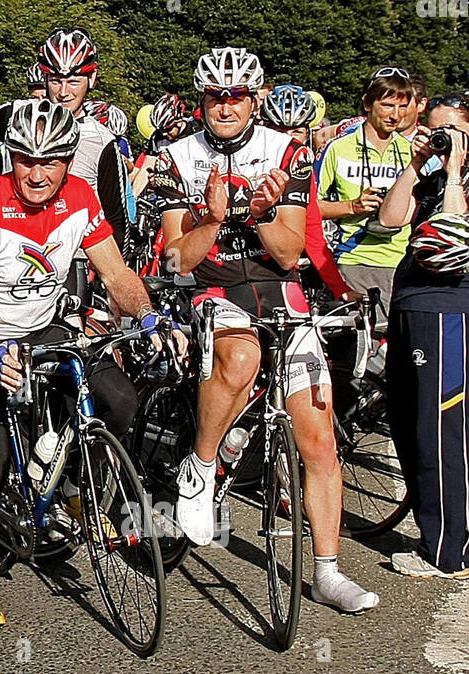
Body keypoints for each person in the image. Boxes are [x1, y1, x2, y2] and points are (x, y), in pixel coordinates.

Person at [0, 100, 177, 631]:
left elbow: (115, 274)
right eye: (27, 160)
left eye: (53, 161)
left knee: (119, 400)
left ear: (69, 160)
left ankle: (69, 478)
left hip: (44, 326)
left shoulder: (80, 196)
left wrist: (150, 318)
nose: (39, 174)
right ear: (10, 156)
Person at [154, 47, 378, 613]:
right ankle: (201, 464)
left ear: (254, 100)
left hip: (281, 288)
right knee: (241, 358)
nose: (224, 106)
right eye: (214, 96)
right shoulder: (177, 155)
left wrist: (259, 212)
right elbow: (176, 261)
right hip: (213, 283)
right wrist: (210, 218)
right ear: (201, 100)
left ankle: (326, 571)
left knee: (319, 438)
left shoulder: (288, 151)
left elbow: (287, 255)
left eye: (235, 97)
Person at [377, 91, 469, 578]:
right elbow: (389, 218)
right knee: (410, 426)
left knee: (444, 432)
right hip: (410, 305)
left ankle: (450, 551)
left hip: (448, 312)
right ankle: (429, 532)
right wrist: (416, 166)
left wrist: (456, 171)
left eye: (453, 129)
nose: (442, 139)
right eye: (435, 129)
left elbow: (461, 232)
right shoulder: (429, 175)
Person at [0, 29, 133, 271]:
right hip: (7, 246)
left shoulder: (103, 140)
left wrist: (108, 270)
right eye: (55, 81)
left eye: (73, 81)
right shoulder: (17, 113)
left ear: (92, 79)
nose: (63, 92)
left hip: (72, 259)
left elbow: (116, 216)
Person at [316, 68, 415, 321]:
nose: (396, 115)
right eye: (388, 105)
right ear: (367, 103)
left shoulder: (412, 151)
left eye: (403, 107)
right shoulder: (338, 148)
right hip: (353, 259)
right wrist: (352, 206)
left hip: (401, 261)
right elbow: (308, 208)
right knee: (360, 352)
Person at [261, 85, 349, 299]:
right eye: (279, 131)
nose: (288, 139)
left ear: (308, 134)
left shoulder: (302, 172)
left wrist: (341, 290)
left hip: (286, 269)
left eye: (296, 131)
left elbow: (313, 233)